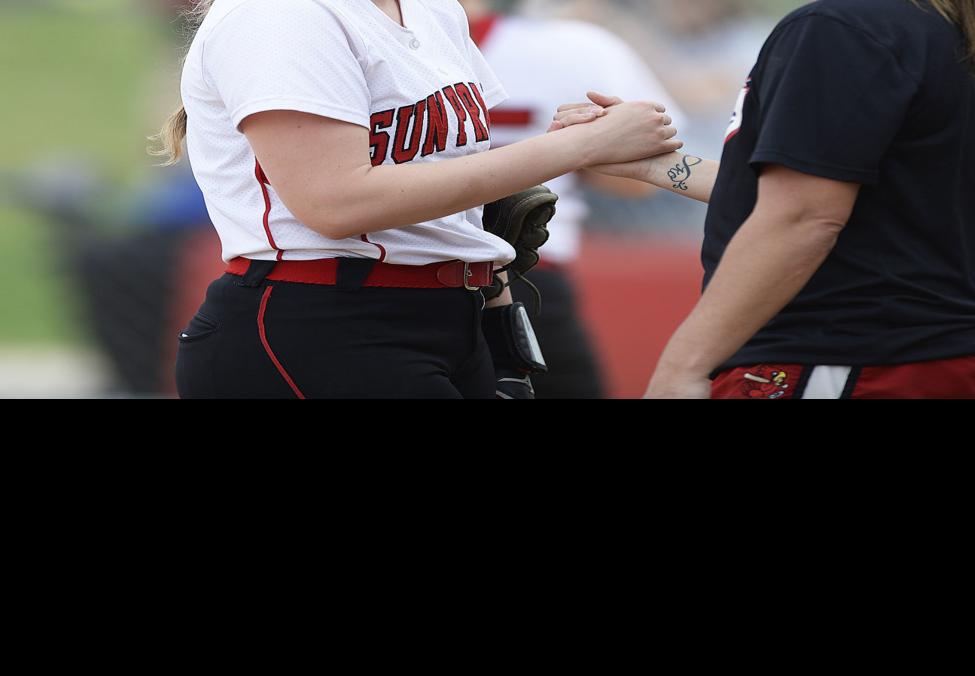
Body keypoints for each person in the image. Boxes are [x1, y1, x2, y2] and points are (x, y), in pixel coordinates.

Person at [161, 0, 680, 399]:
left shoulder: (431, 8)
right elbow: (335, 204)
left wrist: (500, 329)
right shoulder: (282, 15)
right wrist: (579, 146)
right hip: (319, 318)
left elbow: (465, 197)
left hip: (453, 313)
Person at [555, 0, 975, 399]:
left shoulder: (840, 27)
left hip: (850, 354)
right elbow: (815, 193)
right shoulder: (957, 30)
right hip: (929, 356)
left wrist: (681, 367)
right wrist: (650, 166)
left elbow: (803, 217)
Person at [461, 0, 684, 399]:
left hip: (390, 276)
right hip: (526, 271)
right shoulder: (571, 46)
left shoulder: (345, 42)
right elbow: (639, 182)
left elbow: (642, 178)